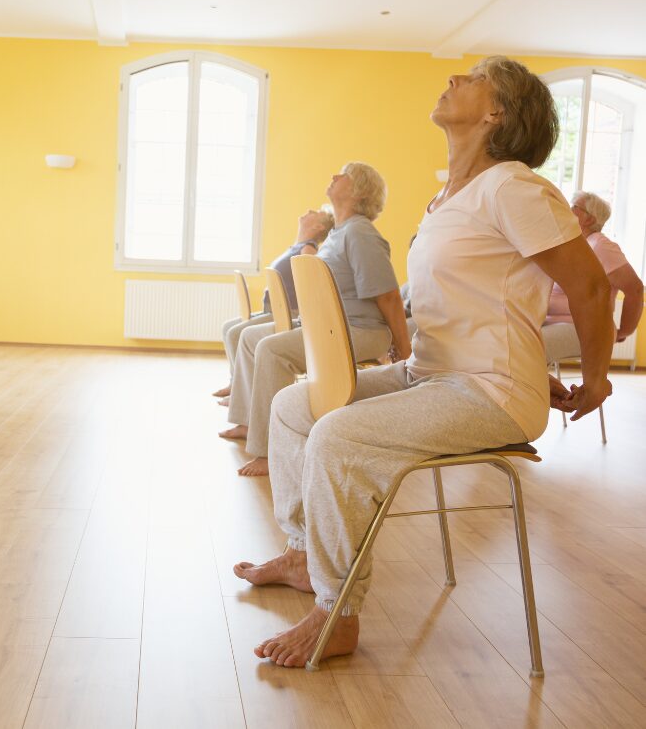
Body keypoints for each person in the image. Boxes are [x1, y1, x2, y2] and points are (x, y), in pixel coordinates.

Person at [234, 56, 614, 668]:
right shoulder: (448, 198)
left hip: (488, 393)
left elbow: (593, 288)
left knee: (338, 433)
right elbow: (477, 300)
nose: (456, 79)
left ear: (497, 111)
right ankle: (306, 553)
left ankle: (339, 610)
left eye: (474, 77)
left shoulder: (514, 186)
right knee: (292, 405)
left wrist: (594, 379)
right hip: (435, 376)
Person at [221, 163, 410, 476]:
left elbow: (388, 296)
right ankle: (247, 421)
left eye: (343, 174)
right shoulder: (340, 232)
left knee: (272, 350)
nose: (334, 176)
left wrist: (403, 350)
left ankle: (270, 452)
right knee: (253, 338)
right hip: (334, 327)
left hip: (360, 329)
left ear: (359, 190)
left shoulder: (361, 232)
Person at [213, 208, 335, 399]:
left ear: (318, 226)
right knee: (229, 328)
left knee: (236, 333)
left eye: (315, 212)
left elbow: (312, 284)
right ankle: (236, 386)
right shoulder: (297, 246)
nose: (309, 210)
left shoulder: (308, 248)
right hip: (274, 310)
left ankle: (242, 394)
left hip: (289, 313)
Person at [542, 191, 643, 360]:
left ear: (589, 219)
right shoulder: (577, 245)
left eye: (574, 206)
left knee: (524, 347)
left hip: (581, 327)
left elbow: (635, 289)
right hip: (553, 322)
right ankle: (549, 386)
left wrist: (624, 331)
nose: (567, 208)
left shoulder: (601, 245)